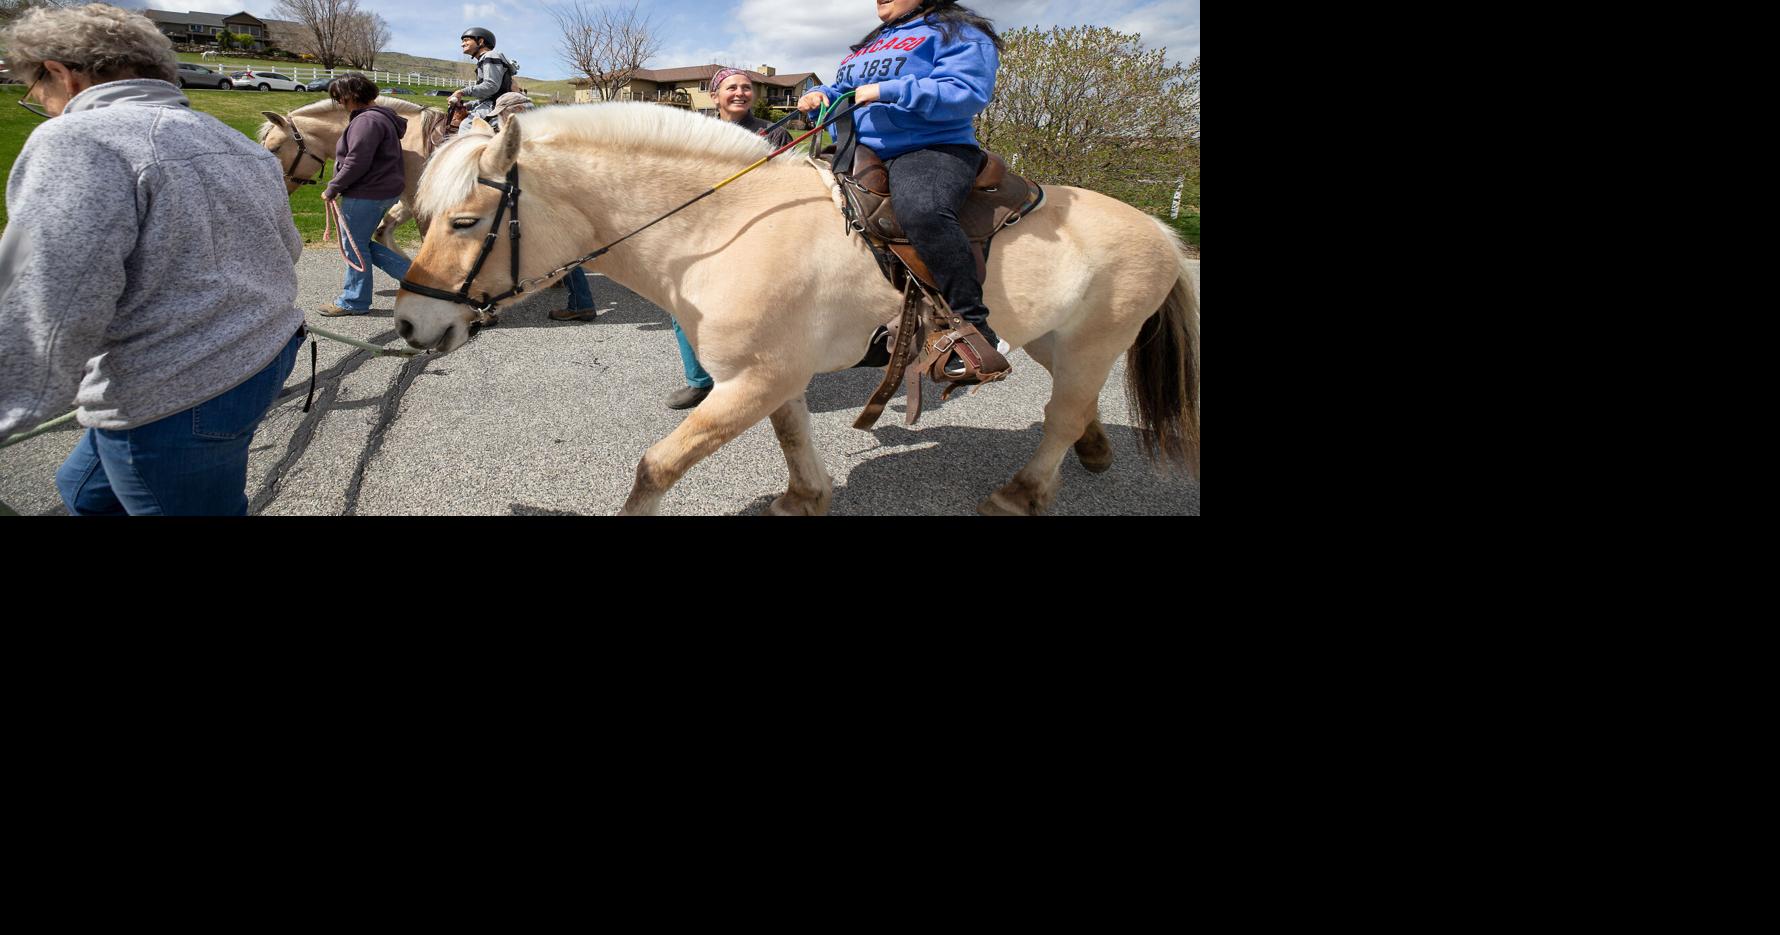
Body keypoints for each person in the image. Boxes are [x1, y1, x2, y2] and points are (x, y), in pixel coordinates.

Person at [0, 3, 304, 515]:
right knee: (82, 489)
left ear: (59, 73)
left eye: (36, 90)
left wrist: (11, 405)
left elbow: (39, 293)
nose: (42, 104)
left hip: (174, 390)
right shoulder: (236, 142)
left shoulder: (77, 140)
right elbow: (288, 247)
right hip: (264, 355)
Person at [798, 0, 1011, 381]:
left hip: (930, 149)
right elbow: (845, 89)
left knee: (922, 210)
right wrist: (820, 95)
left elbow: (966, 91)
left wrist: (890, 90)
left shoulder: (959, 31)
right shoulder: (875, 41)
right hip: (863, 152)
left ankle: (974, 330)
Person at [655, 68, 796, 411]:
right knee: (682, 304)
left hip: (758, 234)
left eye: (747, 88)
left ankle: (769, 383)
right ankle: (700, 382)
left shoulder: (773, 132)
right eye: (731, 87)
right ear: (715, 96)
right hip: (703, 233)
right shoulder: (695, 135)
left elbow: (788, 183)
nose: (740, 92)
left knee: (762, 312)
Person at [318, 74, 412, 317]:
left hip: (367, 192)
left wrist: (333, 187)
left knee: (354, 245)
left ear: (352, 95)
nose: (338, 101)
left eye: (339, 96)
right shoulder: (379, 118)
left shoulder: (366, 121)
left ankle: (354, 301)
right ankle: (415, 278)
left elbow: (357, 161)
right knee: (358, 243)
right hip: (380, 190)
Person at [448, 26, 518, 132]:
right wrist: (468, 105)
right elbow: (488, 96)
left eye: (466, 40)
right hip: (494, 102)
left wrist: (462, 92)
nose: (462, 44)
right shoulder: (484, 60)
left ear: (480, 41)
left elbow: (491, 86)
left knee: (467, 126)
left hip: (499, 105)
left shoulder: (490, 56)